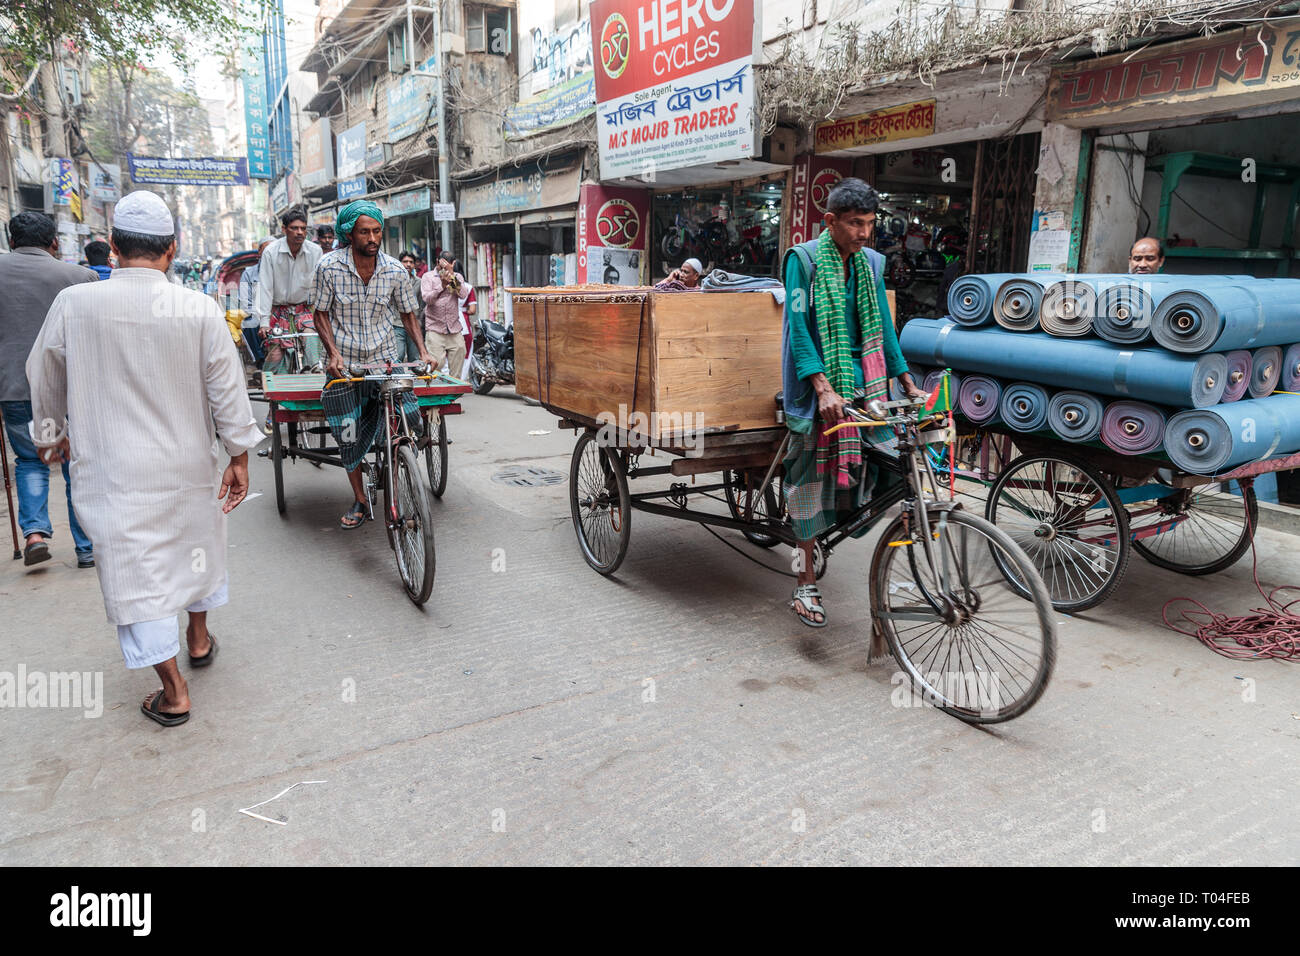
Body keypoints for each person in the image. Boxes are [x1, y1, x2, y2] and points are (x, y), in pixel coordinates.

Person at [26, 190, 263, 727]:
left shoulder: (75, 304)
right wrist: (239, 454)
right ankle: (198, 638)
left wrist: (50, 435)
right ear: (172, 249)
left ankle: (175, 689)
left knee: (136, 575)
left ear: (113, 246)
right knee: (196, 547)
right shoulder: (198, 308)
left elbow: (43, 372)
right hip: (187, 464)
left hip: (111, 471)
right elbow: (228, 390)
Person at [780, 177, 925, 627]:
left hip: (867, 386)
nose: (864, 232)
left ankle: (847, 524)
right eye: (855, 223)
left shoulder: (872, 265)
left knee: (895, 461)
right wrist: (822, 388)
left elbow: (883, 326)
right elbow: (798, 328)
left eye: (869, 223)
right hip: (815, 387)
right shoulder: (802, 261)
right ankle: (804, 579)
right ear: (830, 221)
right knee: (808, 480)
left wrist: (907, 381)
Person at [311, 200, 432, 530]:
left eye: (377, 231)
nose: (373, 238)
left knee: (409, 416)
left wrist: (423, 351)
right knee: (348, 433)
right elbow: (319, 314)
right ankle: (360, 500)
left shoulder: (395, 270)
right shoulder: (328, 267)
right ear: (350, 234)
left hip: (385, 359)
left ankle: (399, 456)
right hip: (345, 365)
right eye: (365, 232)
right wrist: (333, 353)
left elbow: (408, 314)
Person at [0, 212, 99, 568]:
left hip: (15, 387)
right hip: (70, 387)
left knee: (30, 460)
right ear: (55, 242)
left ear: (12, 241)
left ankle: (35, 535)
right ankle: (86, 548)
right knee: (78, 463)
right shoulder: (80, 278)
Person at [256, 206, 324, 373]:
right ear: (284, 229)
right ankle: (271, 385)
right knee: (275, 355)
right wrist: (264, 323)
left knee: (312, 342)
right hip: (278, 311)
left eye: (303, 228)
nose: (300, 232)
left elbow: (320, 285)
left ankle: (315, 377)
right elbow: (265, 288)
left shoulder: (315, 251)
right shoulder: (270, 252)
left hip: (305, 310)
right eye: (294, 228)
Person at [420, 251, 469, 378]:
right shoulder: (428, 277)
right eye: (442, 266)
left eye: (447, 266)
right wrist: (441, 286)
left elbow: (463, 294)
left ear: (453, 264)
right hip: (435, 328)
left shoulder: (457, 276)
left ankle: (454, 390)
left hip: (454, 329)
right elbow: (427, 299)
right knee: (436, 366)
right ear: (437, 262)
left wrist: (451, 276)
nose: (444, 270)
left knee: (457, 364)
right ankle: (436, 389)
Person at [395, 251, 424, 363]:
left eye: (411, 262)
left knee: (415, 358)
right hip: (397, 324)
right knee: (398, 355)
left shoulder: (419, 282)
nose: (408, 264)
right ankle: (398, 375)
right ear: (399, 263)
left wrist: (418, 321)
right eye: (405, 261)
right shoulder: (394, 280)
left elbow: (421, 304)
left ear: (414, 265)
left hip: (413, 325)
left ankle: (414, 375)